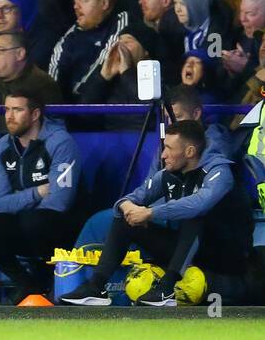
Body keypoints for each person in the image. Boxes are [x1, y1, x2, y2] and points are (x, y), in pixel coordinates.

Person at [60, 120, 251, 306]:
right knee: (126, 220)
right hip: (190, 251)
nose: (163, 155)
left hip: (226, 255)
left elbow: (198, 204)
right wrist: (127, 207)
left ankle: (166, 290)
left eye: (169, 149)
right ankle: (96, 287)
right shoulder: (168, 175)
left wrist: (150, 213)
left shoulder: (220, 172)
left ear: (190, 152)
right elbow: (129, 199)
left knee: (193, 216)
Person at [0, 93, 81, 301]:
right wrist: (36, 192)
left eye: (17, 110)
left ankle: (47, 278)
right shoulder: (3, 146)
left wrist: (19, 201)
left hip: (61, 225)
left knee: (35, 221)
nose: (9, 116)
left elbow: (59, 202)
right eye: (7, 110)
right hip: (23, 221)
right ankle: (27, 283)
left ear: (35, 114)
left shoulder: (60, 142)